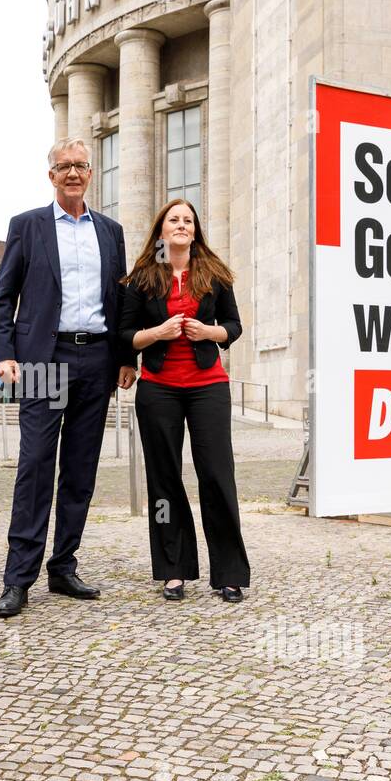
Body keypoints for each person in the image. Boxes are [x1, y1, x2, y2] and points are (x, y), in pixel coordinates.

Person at [0, 136, 137, 618]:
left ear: (92, 174)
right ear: (50, 175)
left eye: (81, 166)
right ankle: (18, 579)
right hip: (42, 359)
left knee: (80, 468)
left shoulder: (111, 232)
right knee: (34, 465)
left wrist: (124, 357)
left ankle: (63, 565)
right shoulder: (27, 227)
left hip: (96, 358)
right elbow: (3, 298)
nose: (73, 173)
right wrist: (4, 354)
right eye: (63, 166)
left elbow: (121, 300)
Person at [118, 198, 250, 603]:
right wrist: (158, 332)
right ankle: (173, 570)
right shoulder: (142, 278)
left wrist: (208, 333)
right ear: (161, 230)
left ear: (195, 230)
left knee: (216, 475)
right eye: (173, 219)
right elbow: (125, 335)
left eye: (187, 220)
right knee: (164, 481)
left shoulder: (213, 273)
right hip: (159, 387)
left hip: (208, 385)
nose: (181, 225)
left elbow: (234, 326)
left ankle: (229, 573)